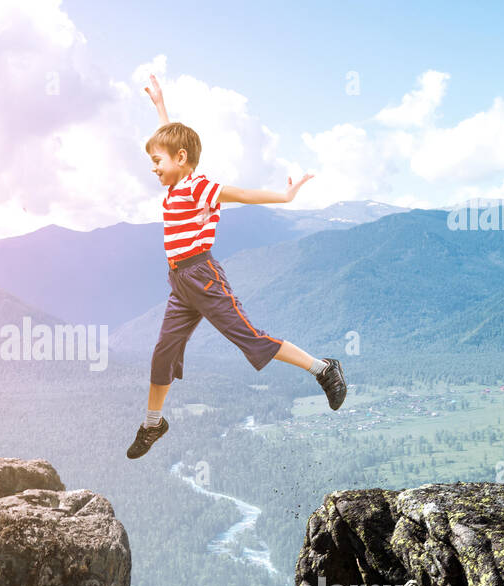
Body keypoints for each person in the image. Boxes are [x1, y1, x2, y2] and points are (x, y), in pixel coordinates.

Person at [127, 74, 347, 460]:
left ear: (180, 160)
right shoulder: (177, 185)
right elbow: (170, 139)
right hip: (180, 281)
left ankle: (323, 368)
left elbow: (241, 193)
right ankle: (152, 423)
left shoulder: (198, 188)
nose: (153, 168)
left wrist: (285, 196)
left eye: (156, 161)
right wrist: (160, 105)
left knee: (249, 337)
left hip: (203, 276)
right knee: (163, 352)